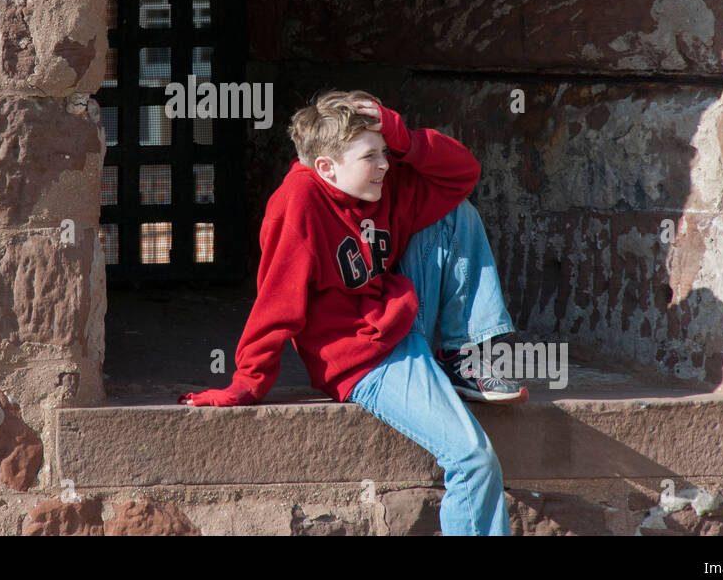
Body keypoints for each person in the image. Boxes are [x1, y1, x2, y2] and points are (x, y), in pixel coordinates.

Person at [178, 88, 525, 536]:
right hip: (366, 359)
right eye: (371, 156)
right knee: (474, 458)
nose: (385, 164)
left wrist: (400, 136)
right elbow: (276, 301)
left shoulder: (385, 183)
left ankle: (462, 357)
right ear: (326, 167)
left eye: (386, 153)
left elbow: (463, 173)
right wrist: (247, 383)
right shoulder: (299, 200)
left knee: (456, 212)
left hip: (398, 315)